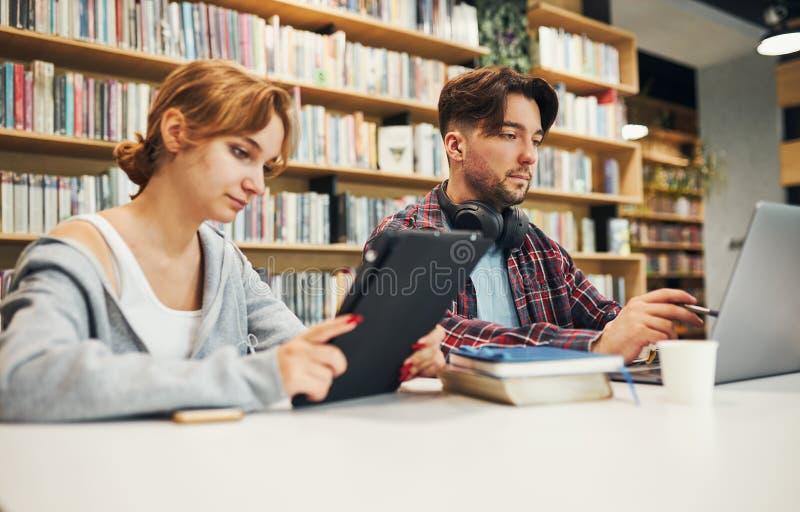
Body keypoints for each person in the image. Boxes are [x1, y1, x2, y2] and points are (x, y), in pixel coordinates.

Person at [0, 60, 443, 422]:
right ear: (176, 132)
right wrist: (254, 378)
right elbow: (21, 379)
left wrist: (391, 353)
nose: (257, 185)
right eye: (240, 153)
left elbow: (298, 355)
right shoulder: (76, 254)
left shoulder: (226, 260)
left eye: (265, 166)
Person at [366, 66, 704, 364]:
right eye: (510, 135)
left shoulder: (541, 248)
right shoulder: (402, 237)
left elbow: (601, 317)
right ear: (456, 146)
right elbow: (436, 336)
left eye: (536, 140)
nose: (530, 156)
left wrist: (639, 322)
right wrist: (596, 345)